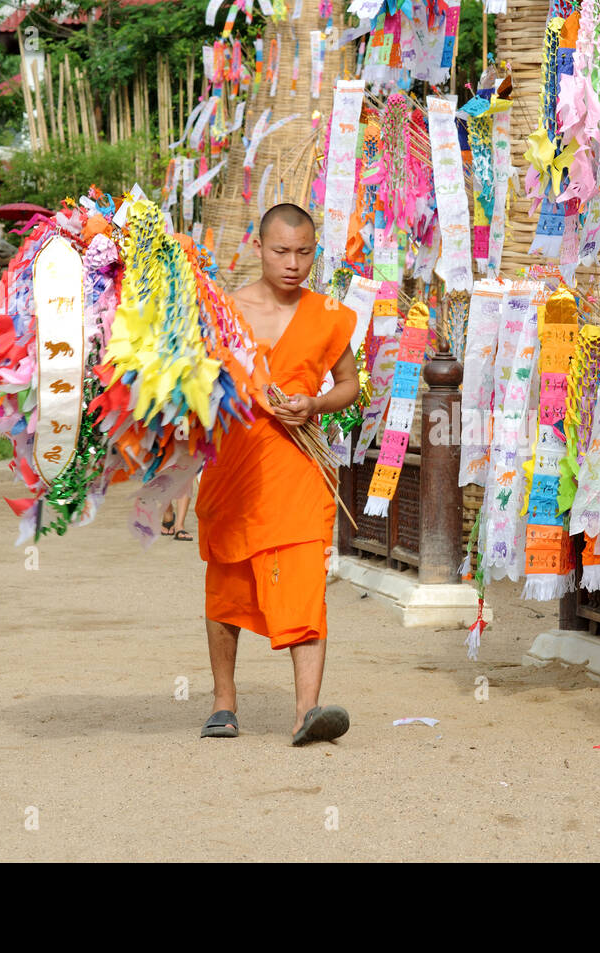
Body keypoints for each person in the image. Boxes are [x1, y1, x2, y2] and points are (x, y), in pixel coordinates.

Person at [194, 203, 359, 745]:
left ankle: (307, 711)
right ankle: (224, 702)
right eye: (282, 251)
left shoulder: (329, 313)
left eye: (305, 252)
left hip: (296, 464)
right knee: (228, 583)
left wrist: (314, 404)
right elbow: (193, 384)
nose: (293, 264)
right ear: (258, 247)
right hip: (235, 465)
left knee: (305, 581)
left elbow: (348, 384)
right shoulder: (224, 310)